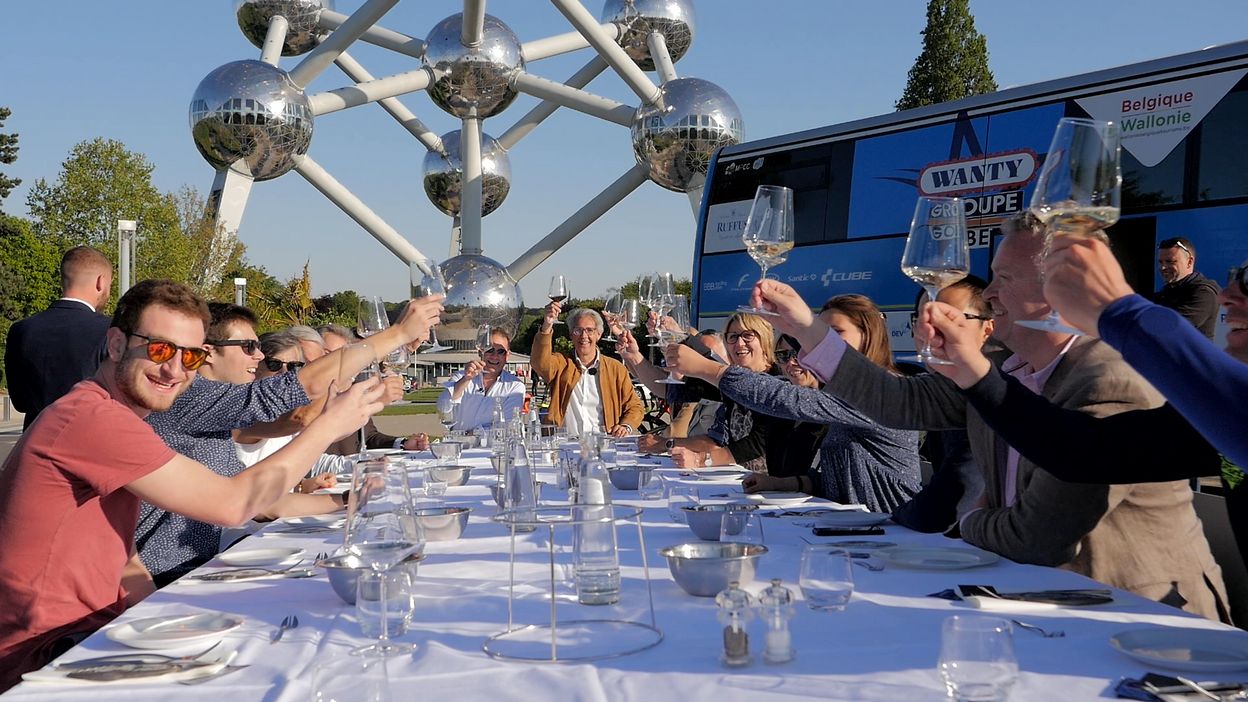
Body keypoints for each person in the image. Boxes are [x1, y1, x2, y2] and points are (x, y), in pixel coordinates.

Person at [748, 215, 1229, 622]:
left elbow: (1037, 538)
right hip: (1024, 603)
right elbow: (898, 402)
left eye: (1005, 279)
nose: (989, 294)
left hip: (1137, 625)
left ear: (1058, 289)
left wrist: (969, 517)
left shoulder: (1110, 377)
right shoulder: (998, 364)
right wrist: (805, 329)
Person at [0, 279, 427, 690]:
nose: (174, 370)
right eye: (160, 349)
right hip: (45, 656)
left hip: (95, 635)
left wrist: (164, 620)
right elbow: (234, 503)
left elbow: (126, 559)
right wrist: (331, 422)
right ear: (115, 344)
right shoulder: (91, 419)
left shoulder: (115, 417)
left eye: (188, 357)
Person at [920, 236, 1248, 567]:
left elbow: (1041, 533)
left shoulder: (1112, 377)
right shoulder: (1217, 418)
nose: (1227, 296)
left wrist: (1118, 310)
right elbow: (1081, 451)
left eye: (1246, 280)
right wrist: (972, 372)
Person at [135, 303, 369, 583]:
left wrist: (348, 499)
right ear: (209, 352)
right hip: (163, 578)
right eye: (248, 347)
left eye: (296, 367)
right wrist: (395, 335)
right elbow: (295, 410)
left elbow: (260, 503)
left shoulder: (213, 418)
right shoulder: (187, 399)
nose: (258, 356)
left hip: (196, 568)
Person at [667, 296, 921, 512]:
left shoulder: (880, 390)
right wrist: (781, 484)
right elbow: (842, 481)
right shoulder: (842, 390)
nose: (824, 343)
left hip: (896, 529)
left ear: (869, 335)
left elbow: (787, 399)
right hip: (854, 527)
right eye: (822, 334)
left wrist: (709, 368)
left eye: (836, 333)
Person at [892, 276, 996, 533]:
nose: (930, 333)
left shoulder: (990, 395)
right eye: (923, 320)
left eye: (948, 320)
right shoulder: (943, 388)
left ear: (987, 329)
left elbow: (948, 504)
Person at [637, 313, 786, 471]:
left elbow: (757, 443)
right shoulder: (734, 385)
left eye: (748, 335)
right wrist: (676, 337)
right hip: (741, 481)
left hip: (777, 488)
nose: (740, 343)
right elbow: (675, 390)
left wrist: (701, 460)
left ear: (764, 339)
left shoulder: (777, 383)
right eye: (733, 337)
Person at [5, 246, 113, 429]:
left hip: (35, 443)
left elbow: (20, 402)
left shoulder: (20, 330)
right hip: (91, 441)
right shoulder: (111, 331)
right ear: (101, 282)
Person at [234, 331, 351, 482]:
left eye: (294, 367)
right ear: (256, 366)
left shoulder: (287, 410)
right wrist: (339, 377)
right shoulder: (242, 406)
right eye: (274, 364)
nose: (284, 373)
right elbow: (300, 419)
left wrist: (362, 464)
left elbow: (309, 460)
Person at [532, 301, 643, 438]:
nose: (584, 336)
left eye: (590, 330)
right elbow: (539, 362)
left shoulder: (615, 369)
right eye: (578, 330)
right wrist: (547, 326)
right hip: (565, 443)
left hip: (604, 442)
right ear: (571, 335)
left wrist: (626, 426)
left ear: (599, 334)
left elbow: (635, 407)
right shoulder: (561, 364)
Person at [319, 322, 428, 454]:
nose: (339, 363)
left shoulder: (349, 389)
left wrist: (402, 444)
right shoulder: (308, 401)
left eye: (343, 357)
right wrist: (375, 402)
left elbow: (368, 437)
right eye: (329, 355)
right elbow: (320, 444)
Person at [436, 327, 525, 430]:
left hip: (494, 446)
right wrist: (466, 380)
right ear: (480, 352)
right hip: (460, 445)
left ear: (507, 355)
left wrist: (473, 434)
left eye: (501, 351)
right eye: (489, 350)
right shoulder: (460, 377)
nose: (494, 356)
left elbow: (509, 425)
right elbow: (443, 408)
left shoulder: (515, 386)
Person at [1151, 237, 1221, 339]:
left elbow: (1171, 327)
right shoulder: (1166, 292)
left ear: (1189, 262)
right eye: (1160, 262)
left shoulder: (1204, 292)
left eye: (1170, 261)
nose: (1163, 267)